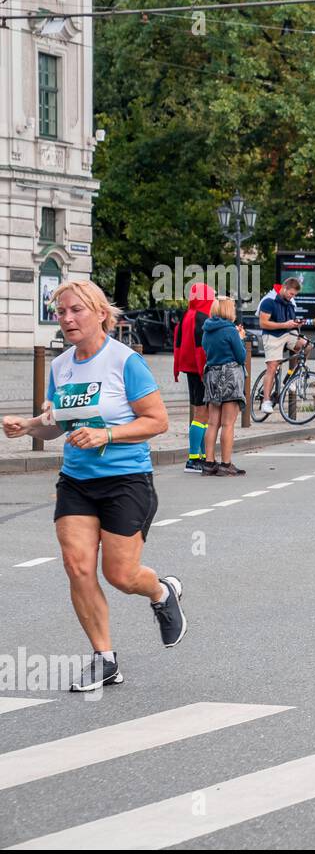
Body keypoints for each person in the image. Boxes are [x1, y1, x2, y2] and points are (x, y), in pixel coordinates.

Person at [3, 280, 187, 692]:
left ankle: (161, 590)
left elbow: (157, 421)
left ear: (101, 313)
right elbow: (58, 423)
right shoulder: (61, 366)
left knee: (121, 575)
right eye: (61, 312)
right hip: (77, 482)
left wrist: (107, 435)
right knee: (78, 566)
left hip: (126, 481)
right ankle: (104, 658)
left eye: (76, 311)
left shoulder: (126, 362)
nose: (67, 319)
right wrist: (28, 426)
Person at [200, 295, 248, 476]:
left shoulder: (207, 330)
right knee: (228, 423)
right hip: (230, 376)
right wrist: (240, 337)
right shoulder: (230, 331)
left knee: (212, 423)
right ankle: (226, 464)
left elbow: (206, 351)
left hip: (212, 375)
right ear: (229, 310)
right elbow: (241, 356)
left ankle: (209, 463)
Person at [173, 282, 214, 473]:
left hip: (190, 369)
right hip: (200, 370)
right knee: (202, 414)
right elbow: (200, 349)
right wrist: (204, 371)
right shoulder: (202, 318)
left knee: (201, 413)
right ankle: (194, 458)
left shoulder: (187, 315)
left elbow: (178, 345)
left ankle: (204, 456)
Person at [257, 278, 304, 414]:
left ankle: (290, 377)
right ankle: (266, 401)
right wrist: (285, 325)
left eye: (294, 295)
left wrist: (296, 324)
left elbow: (290, 323)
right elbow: (263, 324)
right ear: (284, 288)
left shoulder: (290, 304)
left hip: (287, 334)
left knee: (305, 345)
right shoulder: (268, 302)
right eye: (291, 294)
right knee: (272, 366)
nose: (292, 297)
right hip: (272, 336)